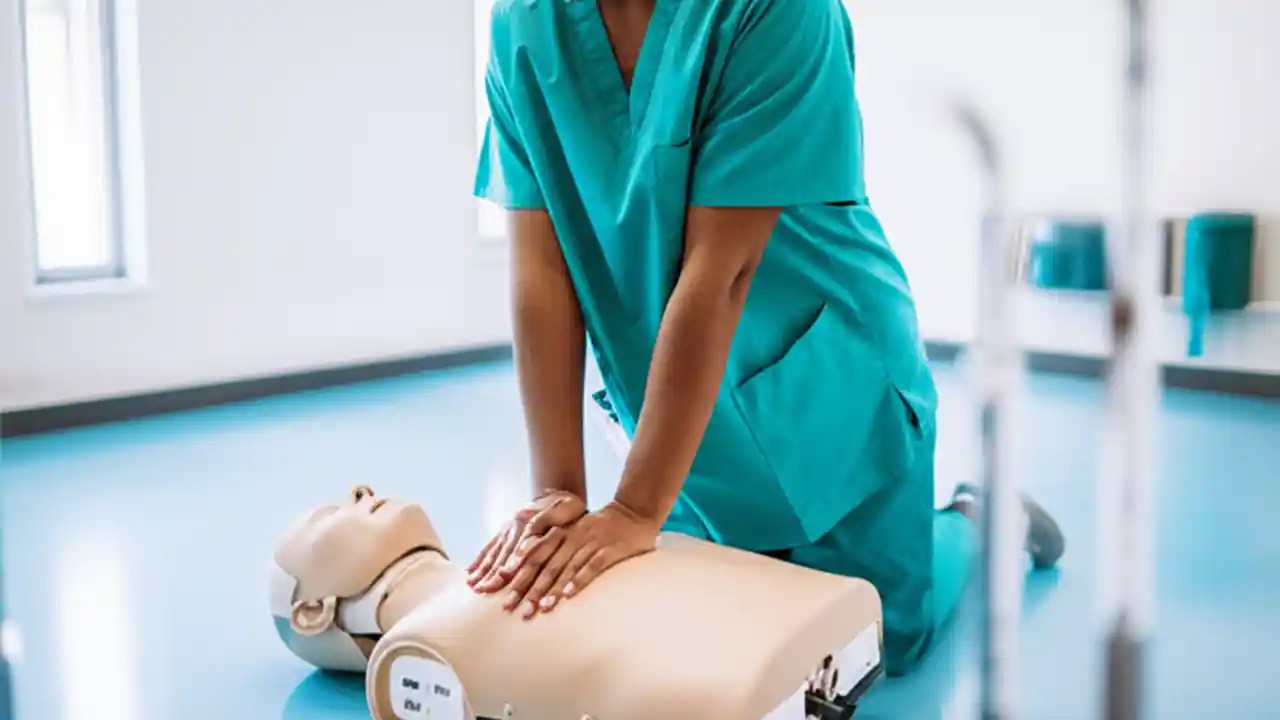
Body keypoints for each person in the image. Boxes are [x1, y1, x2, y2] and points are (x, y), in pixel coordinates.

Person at [469, 0, 1064, 676]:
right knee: (713, 635)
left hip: (829, 388)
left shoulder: (778, 11)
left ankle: (983, 519)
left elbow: (722, 274)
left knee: (880, 642)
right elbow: (541, 274)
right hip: (682, 413)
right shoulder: (523, 26)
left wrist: (636, 507)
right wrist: (559, 494)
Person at [268, 487, 884, 719]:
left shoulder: (537, 544)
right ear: (312, 612)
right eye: (328, 514)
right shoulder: (422, 652)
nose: (359, 490)